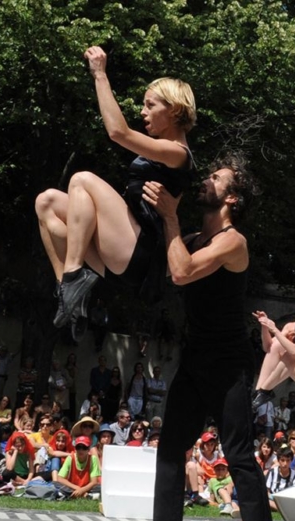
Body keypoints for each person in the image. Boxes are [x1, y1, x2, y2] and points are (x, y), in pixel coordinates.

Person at [140, 153, 272, 521]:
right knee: (170, 450)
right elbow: (168, 265)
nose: (206, 180)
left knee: (239, 457)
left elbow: (181, 272)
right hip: (195, 357)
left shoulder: (234, 242)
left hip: (229, 364)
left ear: (232, 199)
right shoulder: (194, 240)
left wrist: (170, 217)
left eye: (217, 178)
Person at [34, 46, 198, 329]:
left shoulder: (179, 153)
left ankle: (73, 274)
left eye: (150, 105)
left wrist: (100, 75)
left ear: (173, 111)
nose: (142, 111)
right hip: (118, 250)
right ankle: (69, 295)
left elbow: (117, 132)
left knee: (81, 179)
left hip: (140, 254)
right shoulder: (161, 150)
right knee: (46, 201)